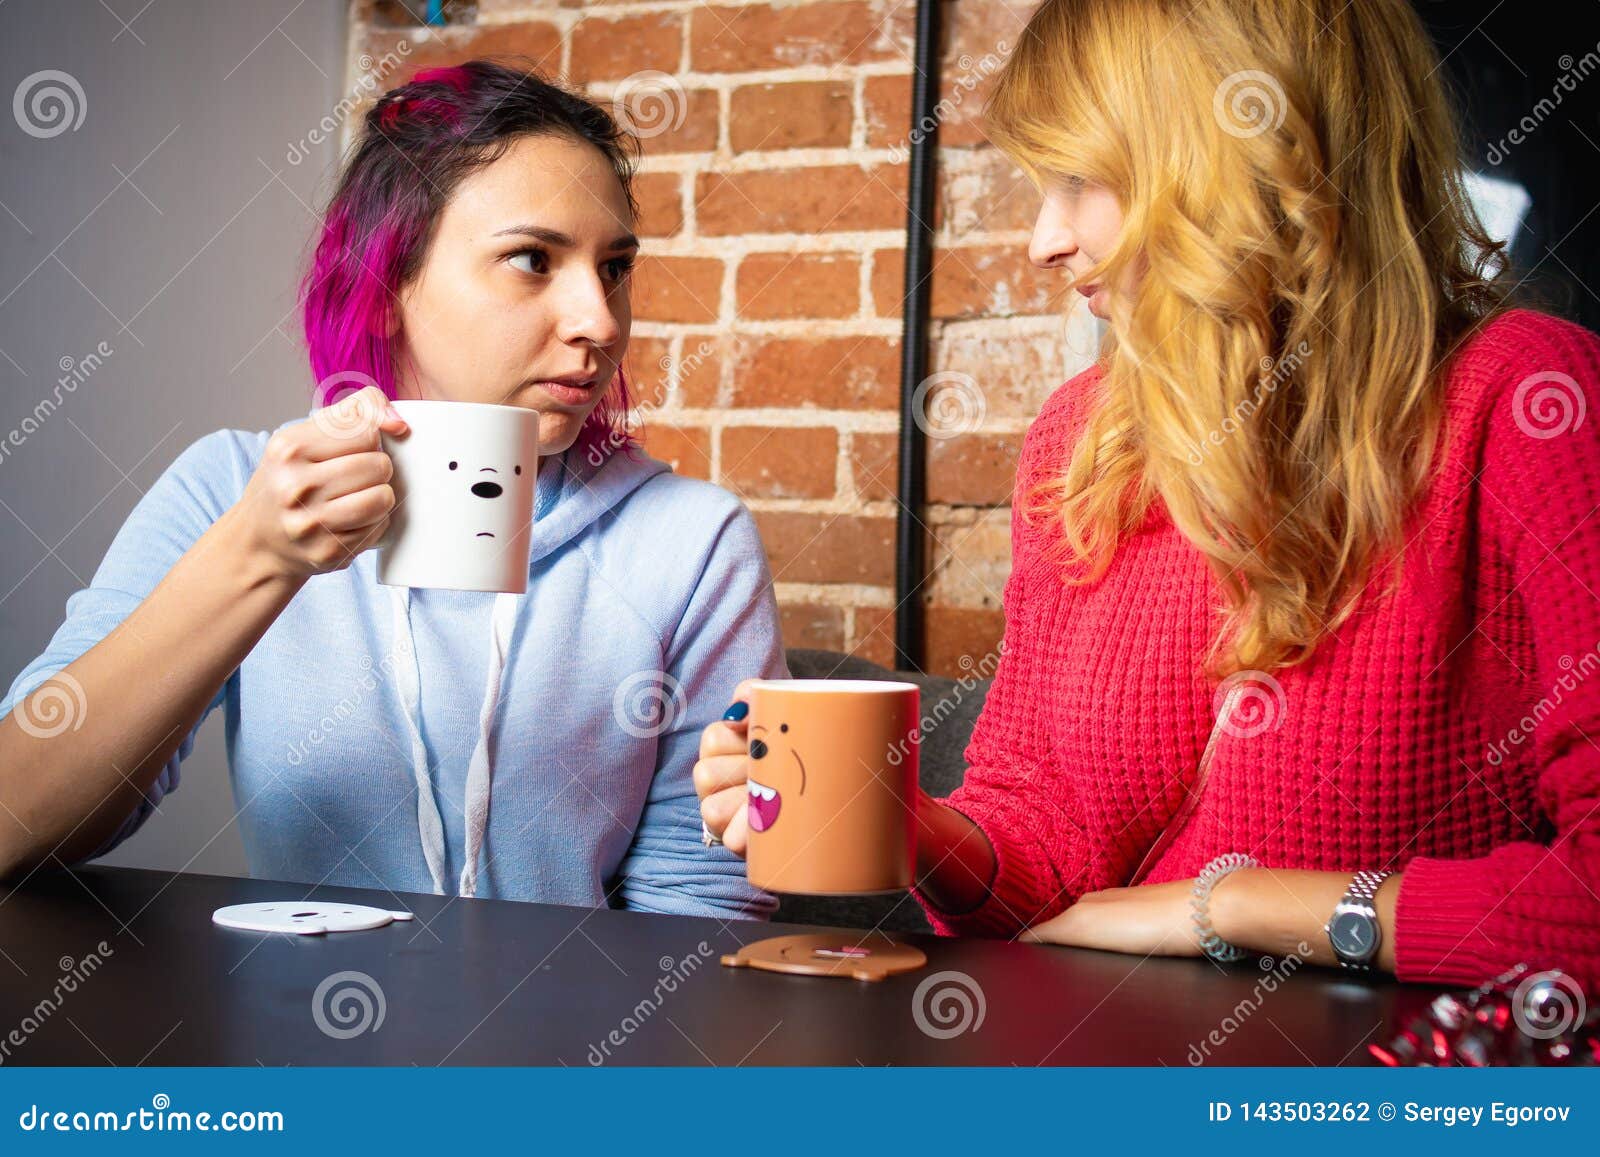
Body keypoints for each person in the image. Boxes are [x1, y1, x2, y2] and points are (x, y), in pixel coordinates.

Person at [697, 0, 1600, 987]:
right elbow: (1041, 857)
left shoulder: (1529, 404)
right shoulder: (1079, 438)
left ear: (1246, 150)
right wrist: (902, 821)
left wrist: (1232, 903)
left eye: (1079, 179)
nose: (1043, 240)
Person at [0, 61, 784, 919]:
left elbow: (700, 909)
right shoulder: (230, 488)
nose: (600, 321)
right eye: (532, 259)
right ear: (385, 288)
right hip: (295, 1042)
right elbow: (19, 818)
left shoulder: (693, 541)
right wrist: (256, 556)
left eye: (614, 267)